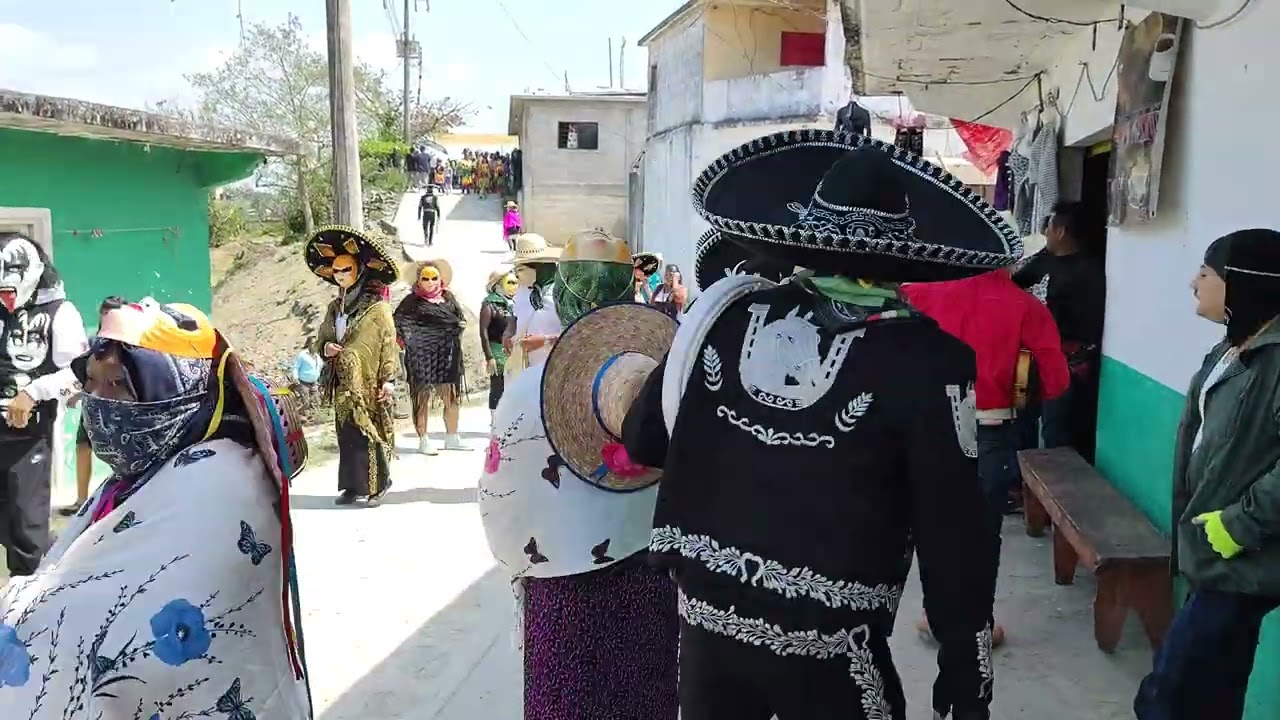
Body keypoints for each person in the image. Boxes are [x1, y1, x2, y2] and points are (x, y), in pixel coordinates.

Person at [616, 130, 1021, 719]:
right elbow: (953, 534)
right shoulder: (931, 359)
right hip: (833, 649)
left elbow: (644, 440)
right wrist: (965, 675)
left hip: (710, 634)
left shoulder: (720, 320)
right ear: (901, 257)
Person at [1, 297, 313, 718]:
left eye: (114, 385)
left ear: (174, 389)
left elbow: (136, 628)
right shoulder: (140, 471)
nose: (97, 402)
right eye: (91, 383)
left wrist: (24, 617)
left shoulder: (217, 481)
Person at [479, 229, 678, 720]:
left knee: (568, 698)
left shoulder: (528, 392)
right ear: (628, 293)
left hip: (560, 578)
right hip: (648, 572)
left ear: (563, 295)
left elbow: (501, 495)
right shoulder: (665, 382)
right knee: (642, 692)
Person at [1133, 229, 1280, 720]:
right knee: (1209, 691)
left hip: (1240, 558)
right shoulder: (1230, 349)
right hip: (1210, 547)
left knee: (1170, 694)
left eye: (1207, 271)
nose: (1194, 280)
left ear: (1243, 283)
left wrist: (1237, 526)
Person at [903, 241, 1070, 647]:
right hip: (991, 430)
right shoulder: (1026, 307)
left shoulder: (917, 293)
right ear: (1010, 262)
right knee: (981, 530)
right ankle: (976, 621)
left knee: (934, 524)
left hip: (928, 428)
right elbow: (1057, 381)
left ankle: (933, 612)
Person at [0, 232, 88, 576]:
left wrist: (33, 391)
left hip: (27, 436)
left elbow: (81, 370)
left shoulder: (59, 313)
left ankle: (26, 614)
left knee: (27, 529)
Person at [307, 225, 400, 507]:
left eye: (345, 269)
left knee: (369, 431)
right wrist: (326, 348)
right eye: (335, 271)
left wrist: (388, 379)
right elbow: (321, 338)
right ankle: (352, 486)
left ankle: (377, 485)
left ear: (358, 269)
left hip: (369, 381)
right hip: (342, 381)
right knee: (346, 432)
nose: (340, 275)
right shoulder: (335, 308)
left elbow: (388, 343)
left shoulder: (377, 307)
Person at [1013, 201, 1106, 460]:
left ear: (1061, 231)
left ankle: (1050, 489)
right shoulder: (1044, 260)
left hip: (1061, 362)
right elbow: (1015, 283)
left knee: (1056, 430)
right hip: (1024, 357)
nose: (1045, 233)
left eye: (1049, 227)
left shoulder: (1090, 272)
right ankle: (1020, 482)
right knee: (1020, 418)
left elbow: (1087, 327)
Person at [57, 295, 126, 517]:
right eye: (104, 313)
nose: (106, 318)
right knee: (82, 446)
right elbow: (86, 372)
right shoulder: (94, 340)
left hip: (118, 406)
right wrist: (76, 393)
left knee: (119, 451)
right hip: (92, 403)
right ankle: (81, 500)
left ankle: (122, 495)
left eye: (111, 313)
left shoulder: (127, 342)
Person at [394, 259, 468, 455]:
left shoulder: (449, 298)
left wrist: (458, 327)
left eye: (434, 278)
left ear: (440, 279)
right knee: (422, 397)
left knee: (451, 396)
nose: (429, 282)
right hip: (421, 355)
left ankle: (452, 436)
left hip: (447, 352)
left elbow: (459, 319)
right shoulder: (410, 302)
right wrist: (410, 340)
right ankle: (423, 439)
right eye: (425, 278)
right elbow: (399, 324)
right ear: (418, 280)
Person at [504, 233, 562, 375]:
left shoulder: (562, 294)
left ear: (539, 267)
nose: (516, 276)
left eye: (521, 269)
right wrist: (509, 331)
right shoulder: (523, 293)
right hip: (526, 368)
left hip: (555, 368)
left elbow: (576, 332)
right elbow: (516, 315)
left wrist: (545, 341)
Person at [479, 265, 516, 420]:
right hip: (496, 350)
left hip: (514, 350)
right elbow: (483, 331)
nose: (514, 287)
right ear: (498, 285)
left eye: (516, 283)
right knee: (498, 385)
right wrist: (489, 357)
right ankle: (495, 420)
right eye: (510, 283)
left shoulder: (516, 303)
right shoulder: (490, 305)